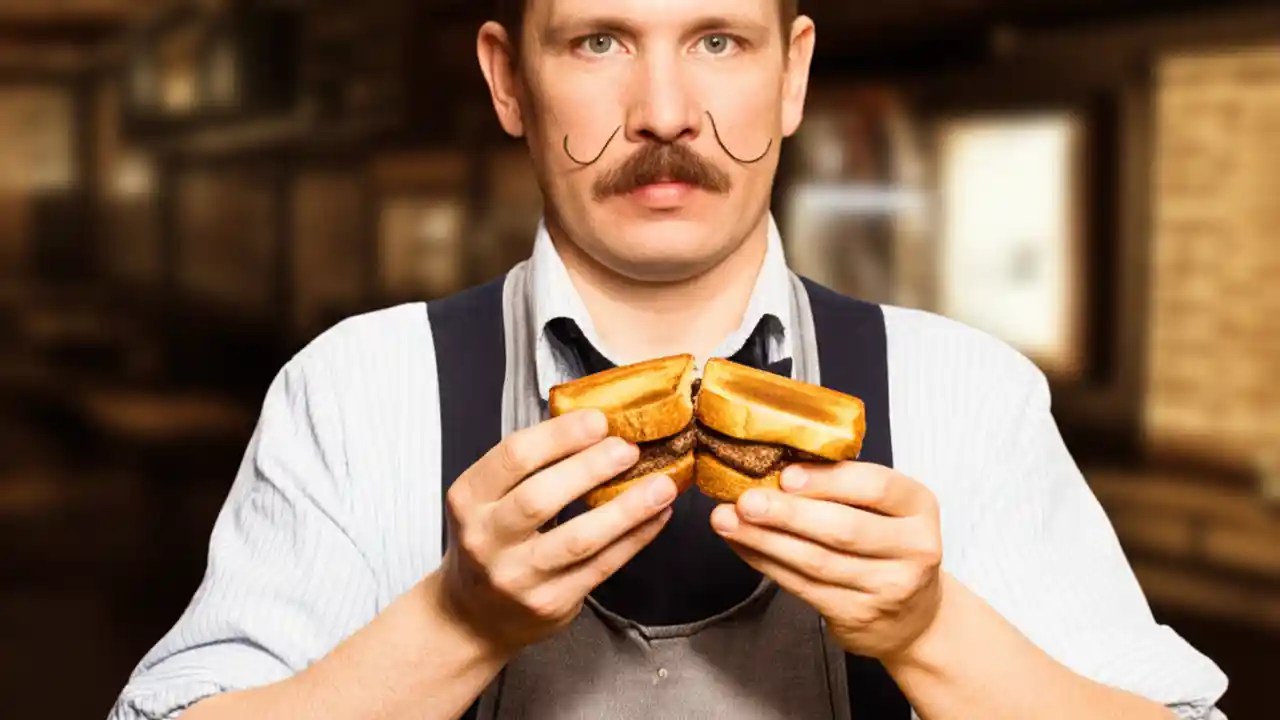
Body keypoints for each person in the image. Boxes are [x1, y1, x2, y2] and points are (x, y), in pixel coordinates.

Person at [110, 1, 1228, 718]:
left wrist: (932, 631)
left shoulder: (967, 394)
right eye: (597, 41)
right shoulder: (355, 390)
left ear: (790, 76)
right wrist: (456, 623)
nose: (661, 113)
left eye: (717, 41)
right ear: (507, 80)